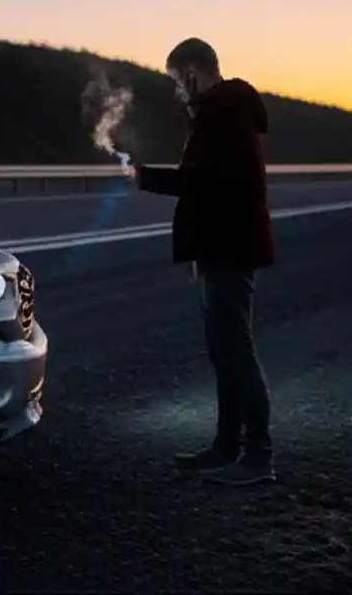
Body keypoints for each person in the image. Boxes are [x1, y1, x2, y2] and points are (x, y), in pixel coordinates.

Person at [125, 37, 276, 485]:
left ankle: (258, 457)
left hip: (230, 246)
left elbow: (202, 181)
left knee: (235, 350)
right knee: (223, 350)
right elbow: (210, 182)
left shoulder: (223, 113)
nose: (176, 92)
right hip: (221, 245)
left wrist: (145, 177)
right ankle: (227, 447)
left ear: (191, 75)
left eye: (176, 81)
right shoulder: (223, 112)